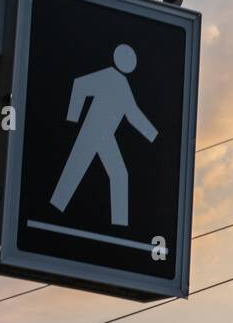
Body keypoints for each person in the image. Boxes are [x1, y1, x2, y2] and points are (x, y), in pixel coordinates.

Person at [50, 44, 157, 225]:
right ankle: (54, 209)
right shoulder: (108, 76)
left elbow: (132, 114)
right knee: (75, 169)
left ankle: (120, 225)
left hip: (104, 135)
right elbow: (80, 85)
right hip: (91, 131)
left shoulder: (123, 85)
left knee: (119, 174)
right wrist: (72, 118)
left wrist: (153, 135)